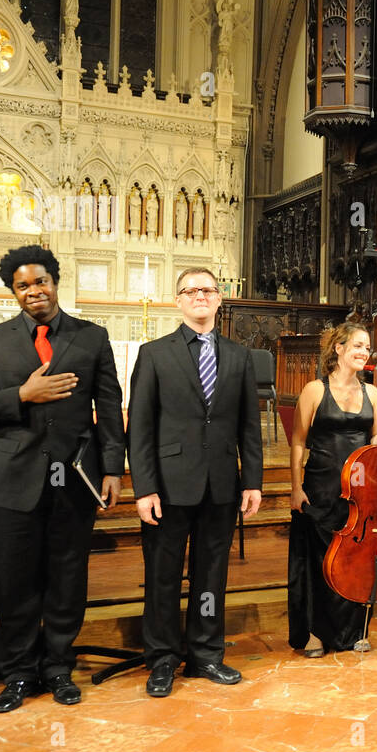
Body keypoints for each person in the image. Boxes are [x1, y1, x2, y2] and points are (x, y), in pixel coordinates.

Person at [0, 246, 125, 712]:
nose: (34, 291)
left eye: (40, 281)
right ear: (13, 292)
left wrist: (113, 468)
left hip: (75, 474)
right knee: (14, 578)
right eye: (23, 286)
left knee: (68, 575)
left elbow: (109, 407)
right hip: (15, 475)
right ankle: (16, 672)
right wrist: (22, 395)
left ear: (55, 280)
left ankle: (57, 666)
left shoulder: (92, 337)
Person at [128, 267, 263, 697]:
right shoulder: (154, 354)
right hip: (167, 486)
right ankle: (163, 658)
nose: (200, 296)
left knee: (211, 575)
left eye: (207, 290)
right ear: (179, 300)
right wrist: (144, 487)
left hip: (222, 484)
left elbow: (249, 427)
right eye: (191, 290)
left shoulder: (240, 356)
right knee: (163, 576)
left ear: (219, 298)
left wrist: (253, 481)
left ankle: (206, 653)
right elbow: (141, 428)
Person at [287, 323, 377, 655]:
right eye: (358, 346)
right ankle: (313, 633)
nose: (364, 352)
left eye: (367, 348)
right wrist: (295, 487)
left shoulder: (373, 392)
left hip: (360, 489)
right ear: (338, 348)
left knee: (355, 559)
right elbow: (297, 442)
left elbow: (374, 440)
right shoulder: (314, 390)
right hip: (321, 485)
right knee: (319, 561)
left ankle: (352, 631)